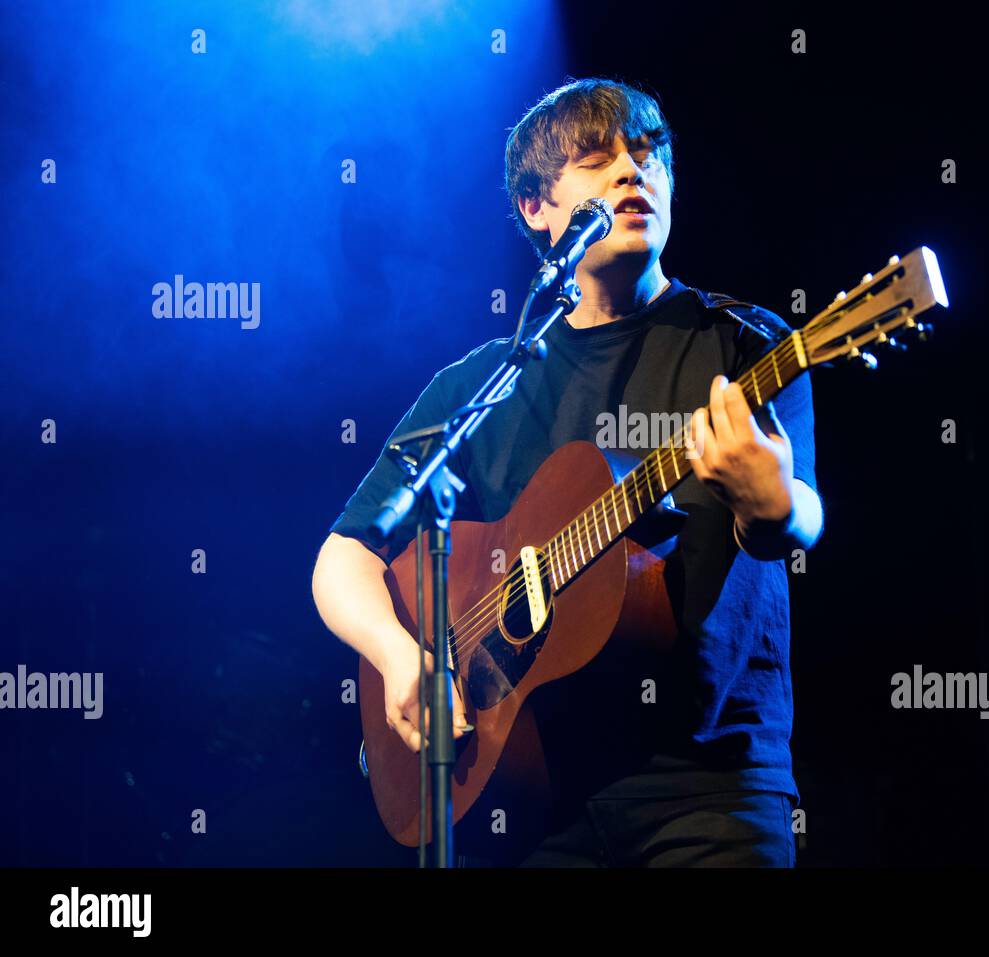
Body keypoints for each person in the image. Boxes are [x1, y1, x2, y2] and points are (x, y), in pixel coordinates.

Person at [311, 77, 823, 867]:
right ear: (535, 207)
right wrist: (400, 654)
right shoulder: (480, 385)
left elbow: (801, 519)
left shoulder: (744, 346)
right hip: (529, 797)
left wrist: (775, 503)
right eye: (597, 158)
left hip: (710, 788)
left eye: (648, 154)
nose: (632, 171)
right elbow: (342, 556)